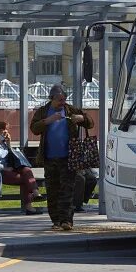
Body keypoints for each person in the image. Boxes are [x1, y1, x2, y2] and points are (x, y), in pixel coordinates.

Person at [29, 83, 94, 231]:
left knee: (67, 190)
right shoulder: (43, 111)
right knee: (52, 191)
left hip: (68, 158)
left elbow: (90, 123)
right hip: (49, 158)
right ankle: (56, 220)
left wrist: (82, 118)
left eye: (64, 99)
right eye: (59, 100)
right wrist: (48, 120)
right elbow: (34, 128)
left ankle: (66, 220)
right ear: (51, 99)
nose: (62, 102)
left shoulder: (70, 110)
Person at [0, 121, 41, 215]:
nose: (6, 132)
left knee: (27, 170)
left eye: (7, 130)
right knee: (25, 179)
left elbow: (14, 158)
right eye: (4, 130)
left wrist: (9, 144)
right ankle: (30, 205)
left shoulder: (4, 144)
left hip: (11, 169)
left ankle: (35, 193)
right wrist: (4, 168)